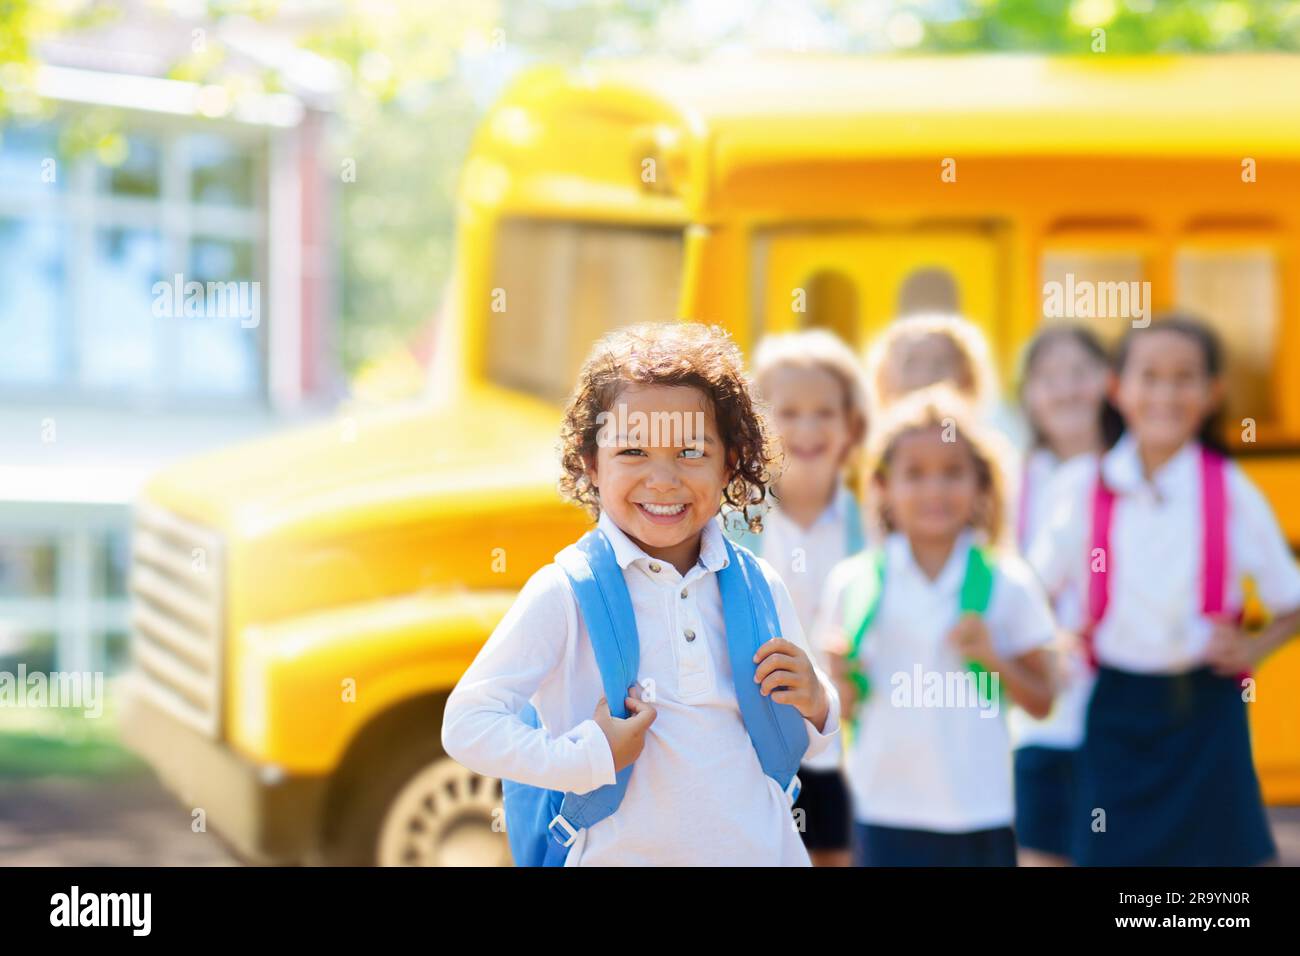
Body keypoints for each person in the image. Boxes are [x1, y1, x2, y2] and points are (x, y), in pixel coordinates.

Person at [441, 322, 841, 865]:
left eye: (690, 452)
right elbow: (468, 724)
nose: (662, 479)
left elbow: (813, 741)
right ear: (590, 463)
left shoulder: (758, 585)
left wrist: (818, 703)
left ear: (730, 462)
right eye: (632, 451)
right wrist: (585, 757)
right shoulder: (565, 592)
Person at [1030, 315, 1300, 866]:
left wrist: (1252, 648)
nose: (1166, 394)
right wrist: (1053, 643)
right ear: (1117, 388)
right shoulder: (1084, 487)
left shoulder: (1229, 488)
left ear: (1212, 393)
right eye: (1149, 376)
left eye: (1185, 378)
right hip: (1115, 709)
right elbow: (1030, 588)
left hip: (1208, 709)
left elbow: (1290, 601)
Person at [819, 384, 1055, 866]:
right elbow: (840, 712)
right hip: (883, 811)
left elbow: (1042, 701)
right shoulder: (854, 583)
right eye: (915, 475)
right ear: (883, 486)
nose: (935, 490)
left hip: (980, 815)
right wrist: (841, 676)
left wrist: (992, 657)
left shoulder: (1007, 583)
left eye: (952, 474)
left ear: (981, 485)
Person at [725, 330, 868, 866]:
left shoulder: (873, 524)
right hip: (756, 740)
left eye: (824, 412)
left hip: (843, 742)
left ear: (851, 425)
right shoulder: (732, 525)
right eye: (789, 412)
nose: (807, 429)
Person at [1009, 325, 1121, 866]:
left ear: (1109, 382)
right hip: (1039, 712)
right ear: (1028, 394)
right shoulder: (1012, 479)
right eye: (1048, 377)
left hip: (1122, 708)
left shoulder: (1133, 470)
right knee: (1042, 851)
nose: (1065, 389)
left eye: (1080, 372)